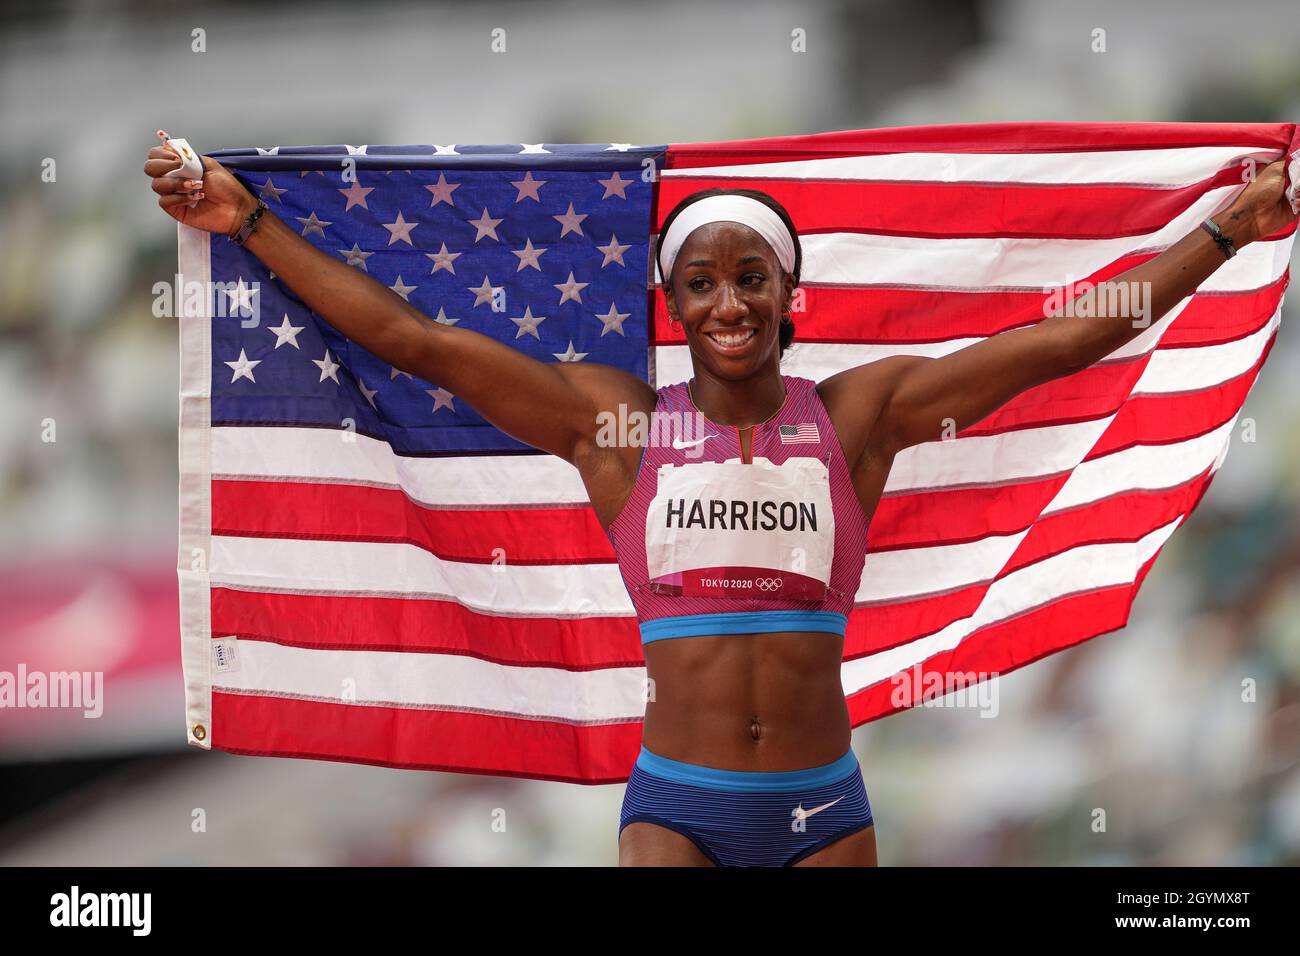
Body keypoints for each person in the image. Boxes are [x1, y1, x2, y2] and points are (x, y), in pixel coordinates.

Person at [145, 142, 1297, 866]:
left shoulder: (858, 415)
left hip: (821, 807)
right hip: (677, 808)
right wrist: (249, 223)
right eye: (702, 283)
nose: (728, 302)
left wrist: (1219, 230)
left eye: (751, 278)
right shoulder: (618, 422)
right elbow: (414, 342)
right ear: (675, 302)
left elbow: (1061, 342)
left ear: (789, 294)